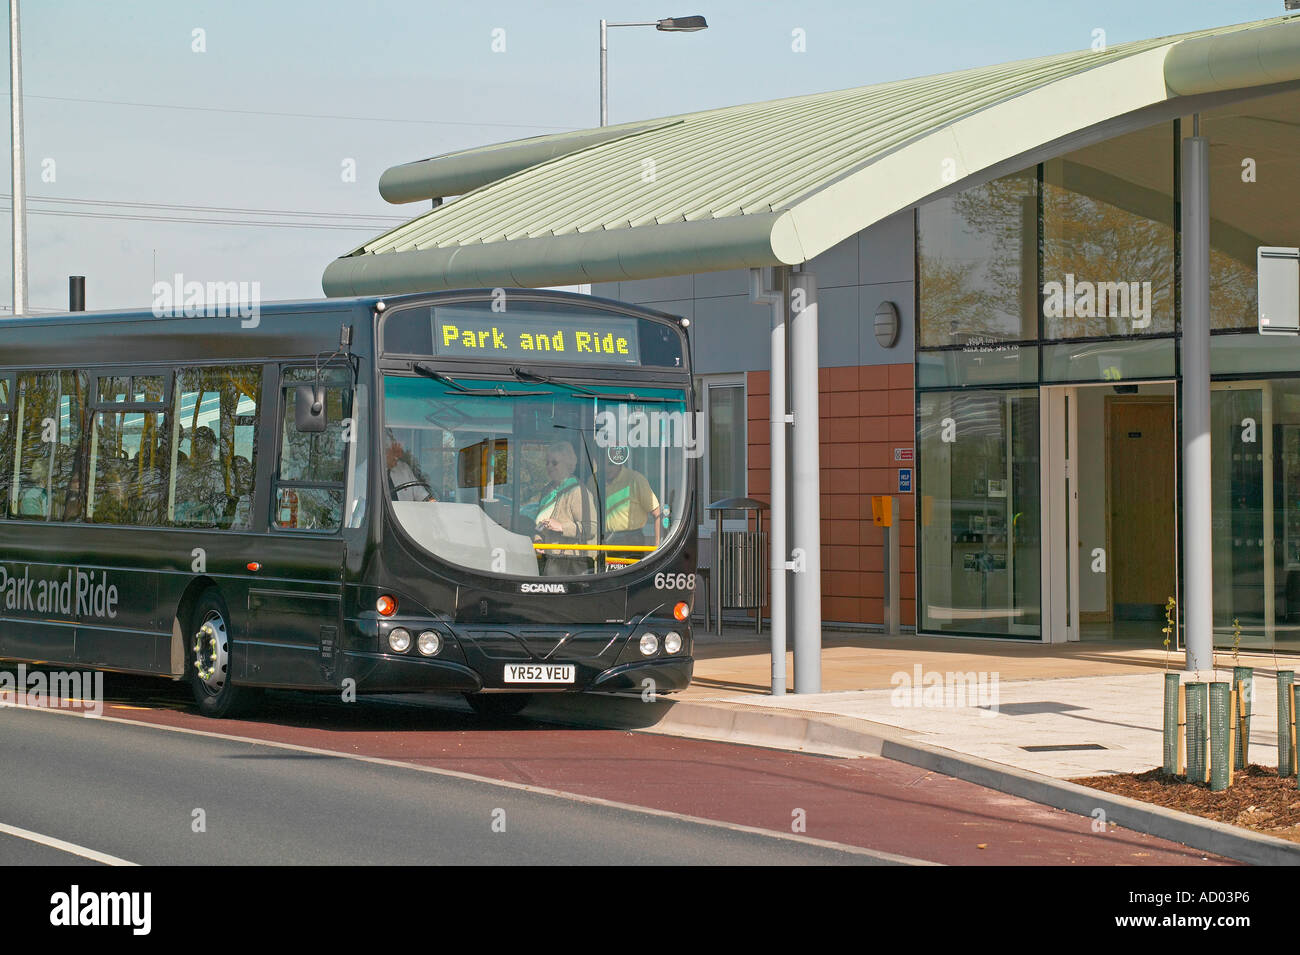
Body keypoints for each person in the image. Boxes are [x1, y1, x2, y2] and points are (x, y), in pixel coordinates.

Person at [530, 440, 596, 576]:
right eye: (547, 462)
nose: (549, 466)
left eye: (554, 463)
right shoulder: (547, 491)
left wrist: (561, 527)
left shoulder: (577, 491)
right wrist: (538, 538)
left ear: (568, 465)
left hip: (572, 563)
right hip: (551, 560)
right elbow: (541, 524)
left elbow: (591, 528)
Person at [602, 449, 662, 560]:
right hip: (601, 542)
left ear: (620, 462)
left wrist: (658, 548)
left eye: (611, 464)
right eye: (603, 464)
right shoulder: (594, 480)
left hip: (630, 541)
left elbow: (657, 513)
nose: (606, 468)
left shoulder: (635, 479)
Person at [386, 429, 435, 502]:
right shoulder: (366, 472)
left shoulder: (404, 469)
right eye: (394, 452)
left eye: (399, 453)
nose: (398, 456)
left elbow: (423, 497)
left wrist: (436, 507)